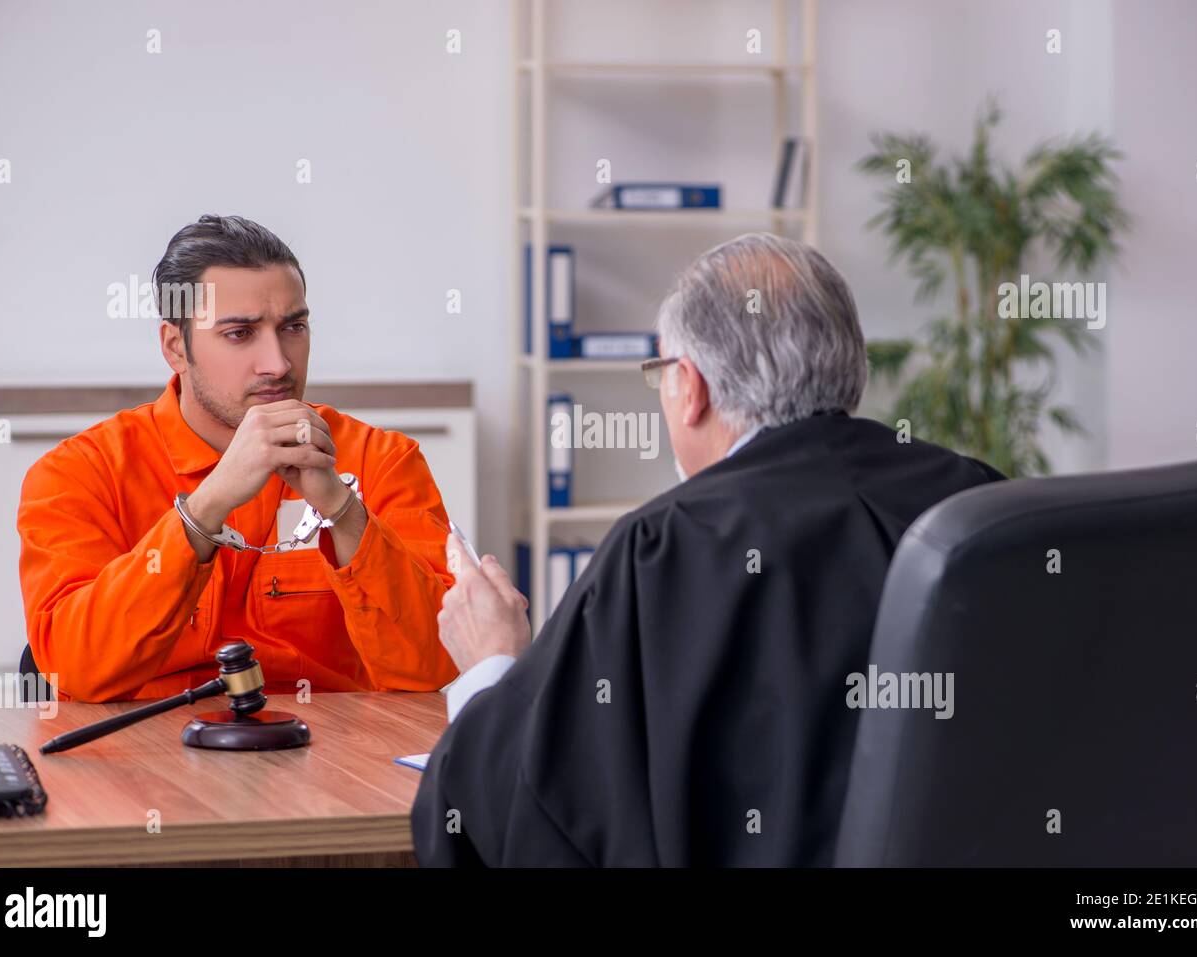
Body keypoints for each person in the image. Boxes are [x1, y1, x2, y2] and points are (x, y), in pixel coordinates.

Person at [412, 232, 1006, 866]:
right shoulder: (981, 507)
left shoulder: (665, 549)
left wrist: (490, 668)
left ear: (688, 388)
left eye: (662, 374)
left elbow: (516, 817)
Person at [17, 214, 457, 702]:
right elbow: (72, 672)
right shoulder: (78, 473)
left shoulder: (382, 460)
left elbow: (432, 666)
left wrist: (342, 507)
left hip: (328, 755)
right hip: (146, 750)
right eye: (239, 333)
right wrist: (206, 507)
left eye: (293, 327)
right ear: (175, 347)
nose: (278, 363)